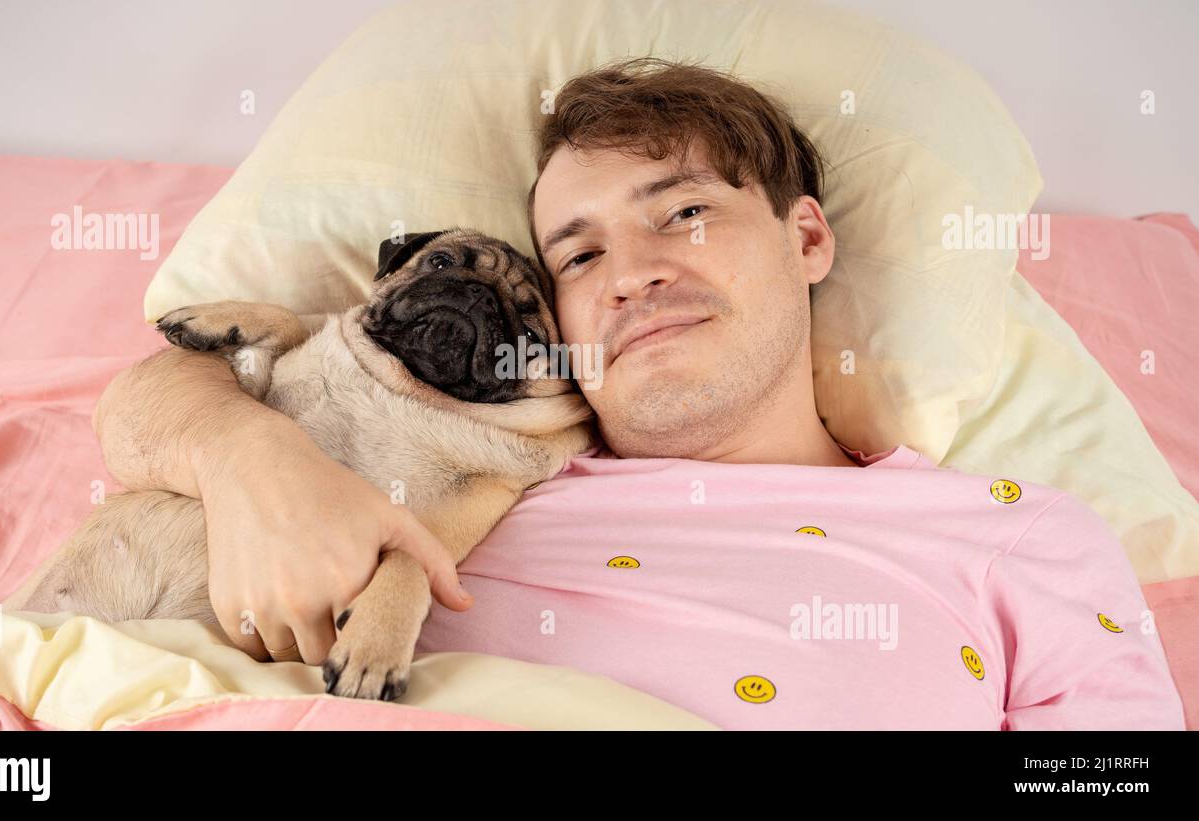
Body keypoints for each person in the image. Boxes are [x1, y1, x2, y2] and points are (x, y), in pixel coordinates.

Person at [93, 57, 1184, 729]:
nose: (629, 274)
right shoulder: (476, 448)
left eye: (683, 213)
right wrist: (251, 461)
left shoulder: (1016, 534)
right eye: (576, 255)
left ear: (806, 237)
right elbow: (143, 407)